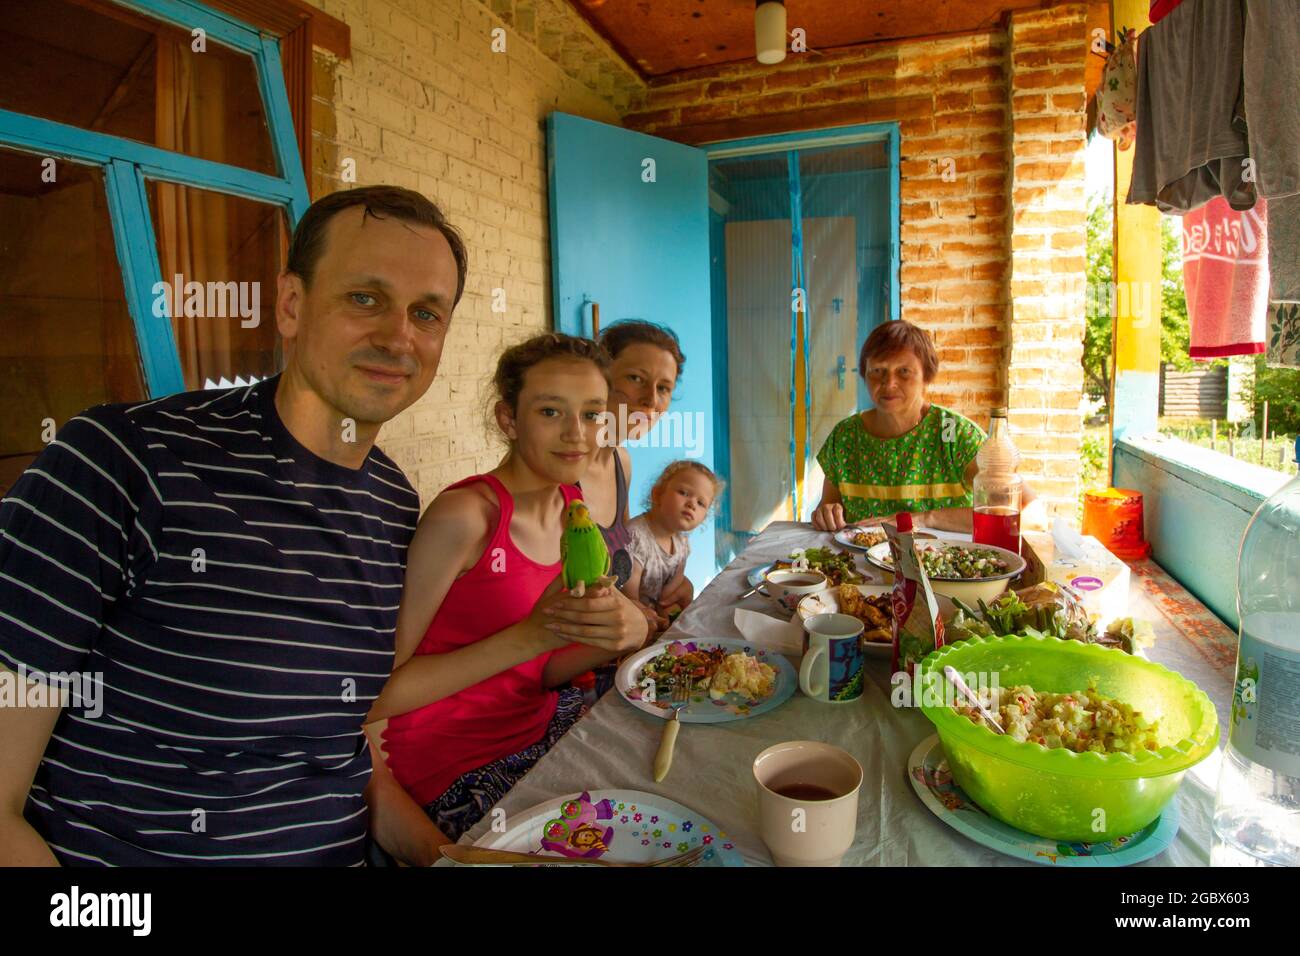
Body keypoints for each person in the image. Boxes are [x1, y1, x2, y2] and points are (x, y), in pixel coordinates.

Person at [0, 185, 476, 866]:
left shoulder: (393, 503)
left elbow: (336, 748)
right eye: (364, 298)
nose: (398, 336)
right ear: (291, 305)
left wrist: (448, 858)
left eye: (425, 313)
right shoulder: (125, 461)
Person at [367, 333, 648, 842]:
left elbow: (541, 671)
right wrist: (532, 636)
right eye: (549, 412)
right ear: (508, 420)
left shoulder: (573, 510)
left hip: (543, 726)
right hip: (453, 764)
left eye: (591, 414)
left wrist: (623, 635)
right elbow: (372, 694)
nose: (576, 434)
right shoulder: (466, 518)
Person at [811, 320, 1033, 533]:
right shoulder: (846, 437)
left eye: (904, 372)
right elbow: (829, 508)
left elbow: (1025, 509)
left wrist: (926, 518)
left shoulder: (954, 434)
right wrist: (826, 515)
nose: (889, 383)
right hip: (860, 569)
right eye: (877, 371)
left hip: (941, 567)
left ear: (926, 376)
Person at [624, 461, 721, 629]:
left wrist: (665, 612)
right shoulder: (635, 537)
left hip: (654, 615)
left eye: (701, 503)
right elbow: (628, 597)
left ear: (704, 518)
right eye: (683, 492)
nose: (692, 503)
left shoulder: (682, 545)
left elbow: (668, 594)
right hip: (630, 618)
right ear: (657, 494)